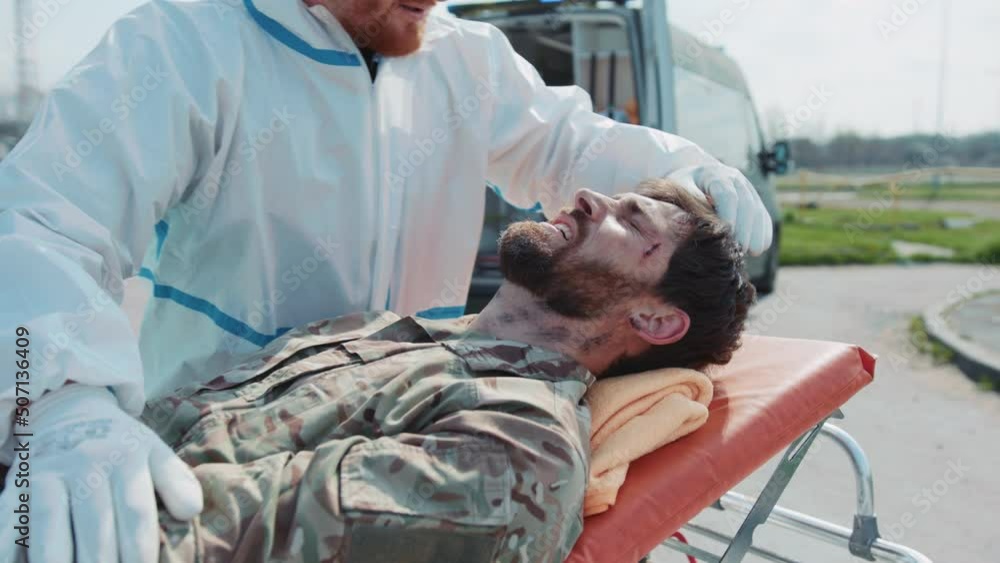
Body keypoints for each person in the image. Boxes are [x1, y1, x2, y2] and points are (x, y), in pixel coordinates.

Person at [0, 0, 771, 560]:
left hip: (390, 416)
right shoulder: (185, 45)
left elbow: (571, 148)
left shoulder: (463, 59)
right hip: (171, 424)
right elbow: (42, 223)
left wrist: (678, 169)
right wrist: (60, 402)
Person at [144, 178, 752, 562]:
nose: (589, 197)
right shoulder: (379, 327)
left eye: (632, 222)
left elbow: (220, 539)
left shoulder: (520, 445)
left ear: (654, 320)